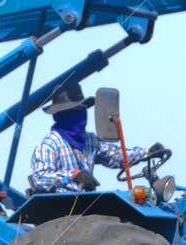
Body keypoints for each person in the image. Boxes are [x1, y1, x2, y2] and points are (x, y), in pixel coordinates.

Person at [27, 83, 164, 193]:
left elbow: (115, 156)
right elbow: (40, 178)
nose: (80, 115)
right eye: (74, 111)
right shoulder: (50, 144)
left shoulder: (90, 141)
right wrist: (73, 175)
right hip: (61, 207)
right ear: (61, 115)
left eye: (82, 109)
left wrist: (147, 152)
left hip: (86, 203)